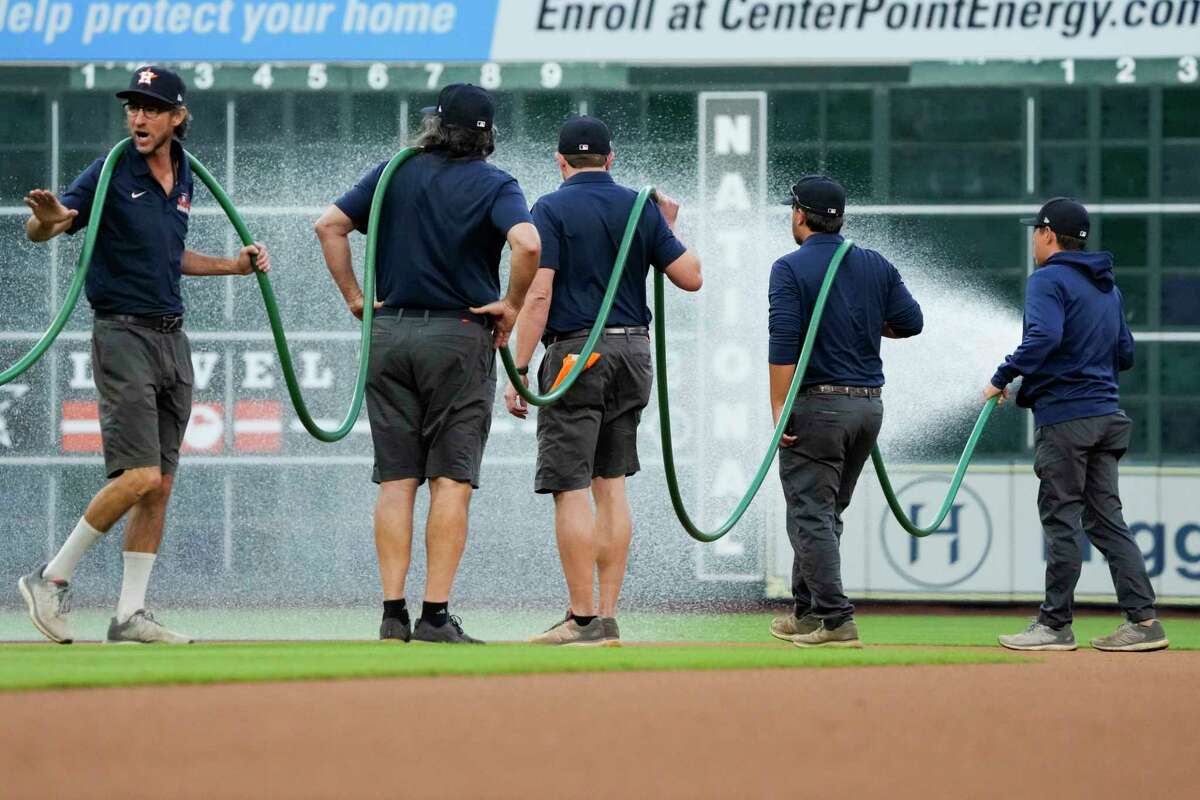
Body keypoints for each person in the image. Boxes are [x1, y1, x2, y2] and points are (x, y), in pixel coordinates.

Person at [17, 66, 270, 644]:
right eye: (133, 106)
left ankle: (129, 614)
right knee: (139, 475)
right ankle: (51, 577)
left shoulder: (184, 174)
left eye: (152, 108)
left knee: (160, 486)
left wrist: (233, 265)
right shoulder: (109, 170)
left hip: (171, 339)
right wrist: (49, 220)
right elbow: (49, 226)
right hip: (122, 334)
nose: (139, 117)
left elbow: (170, 254)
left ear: (177, 117)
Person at [315, 83, 540, 644]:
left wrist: (354, 298)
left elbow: (328, 225)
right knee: (450, 481)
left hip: (389, 334)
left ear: (433, 125)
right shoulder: (495, 182)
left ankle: (392, 614)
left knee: (396, 481)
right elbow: (529, 244)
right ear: (488, 134)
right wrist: (510, 306)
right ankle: (435, 617)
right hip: (458, 335)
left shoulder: (394, 170)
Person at [505, 116, 702, 646]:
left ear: (560, 161)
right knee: (610, 486)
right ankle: (608, 618)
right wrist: (667, 229)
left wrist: (518, 369)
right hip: (634, 351)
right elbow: (691, 277)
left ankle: (582, 618)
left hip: (576, 355)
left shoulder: (549, 208)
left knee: (570, 487)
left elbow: (539, 296)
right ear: (611, 160)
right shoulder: (641, 207)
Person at [990, 198, 1168, 652]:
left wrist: (1003, 375)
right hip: (1107, 416)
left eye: (1036, 231)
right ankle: (1143, 622)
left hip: (1067, 421)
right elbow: (1124, 353)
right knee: (1107, 523)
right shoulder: (1107, 287)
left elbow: (1044, 336)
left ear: (1049, 235)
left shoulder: (1047, 279)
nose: (1033, 239)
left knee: (1061, 519)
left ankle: (1054, 626)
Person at [768, 175, 923, 649]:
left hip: (818, 405)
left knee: (811, 512)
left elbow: (783, 343)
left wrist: (779, 407)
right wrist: (865, 330)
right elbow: (911, 323)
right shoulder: (875, 264)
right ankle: (808, 611)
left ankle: (836, 619)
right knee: (823, 511)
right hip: (867, 409)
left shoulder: (788, 268)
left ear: (799, 214)